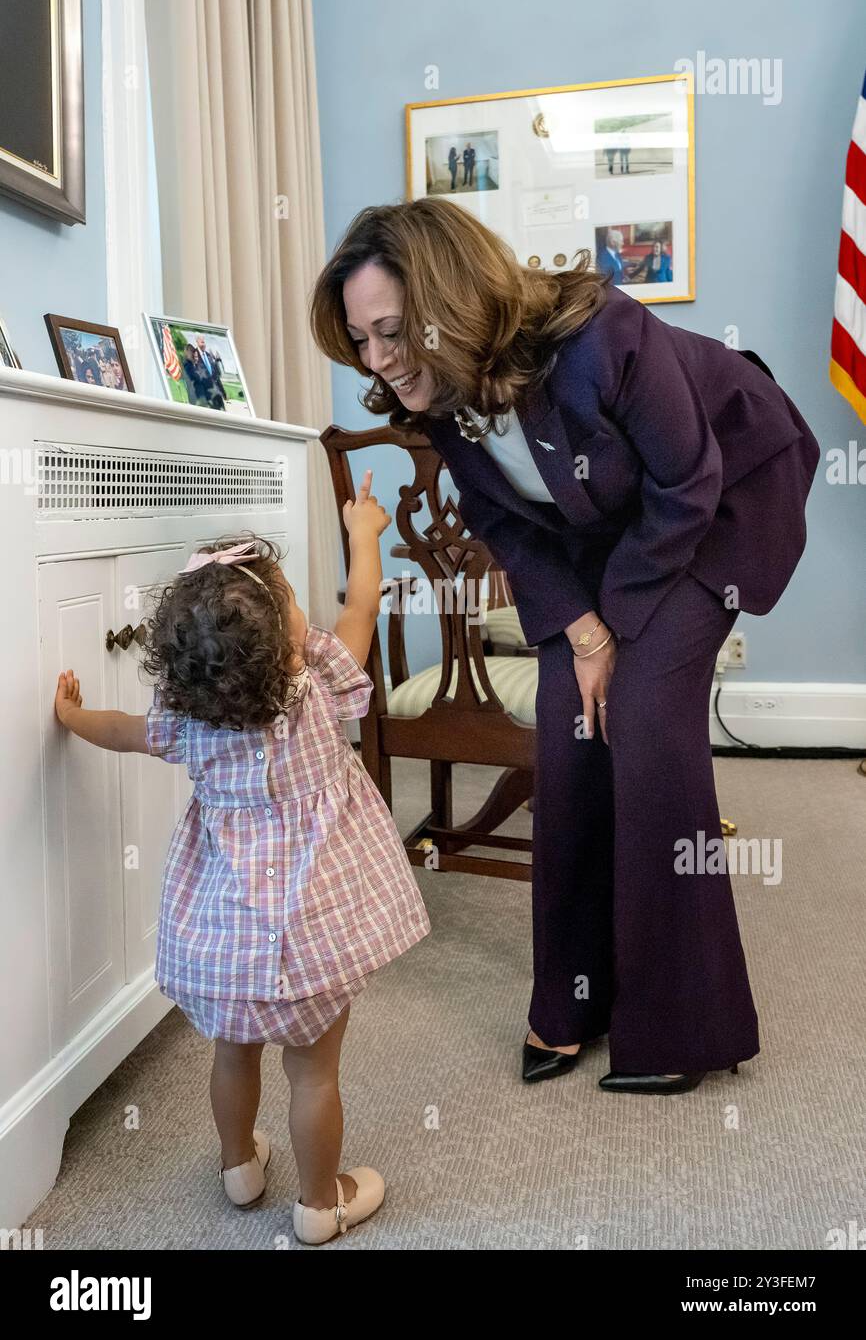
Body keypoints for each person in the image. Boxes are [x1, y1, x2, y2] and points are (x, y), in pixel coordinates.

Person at [308, 197, 821, 1096]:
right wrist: (583, 632)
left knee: (647, 716)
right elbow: (509, 523)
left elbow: (686, 486)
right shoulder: (435, 395)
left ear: (451, 300)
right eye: (362, 341)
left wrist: (616, 627)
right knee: (567, 724)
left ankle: (678, 1025)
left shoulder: (602, 340)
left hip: (719, 491)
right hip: (608, 521)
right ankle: (571, 1001)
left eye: (392, 332)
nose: (379, 362)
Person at [53, 488, 431, 1243]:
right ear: (289, 647)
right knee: (314, 1073)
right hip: (315, 939)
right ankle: (321, 1205)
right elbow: (360, 612)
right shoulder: (319, 698)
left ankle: (240, 1169)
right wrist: (364, 532)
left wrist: (70, 717)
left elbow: (123, 731)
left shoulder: (186, 727)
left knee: (234, 1052)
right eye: (289, 599)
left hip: (225, 944)